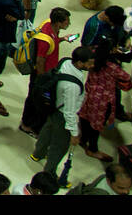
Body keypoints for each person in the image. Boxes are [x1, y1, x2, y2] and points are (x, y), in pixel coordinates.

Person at [32, 46, 95, 178]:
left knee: (47, 131)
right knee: (59, 146)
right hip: (62, 115)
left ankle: (37, 154)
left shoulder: (66, 62)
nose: (91, 65)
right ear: (79, 63)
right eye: (89, 62)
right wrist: (74, 132)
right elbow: (69, 112)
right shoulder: (72, 86)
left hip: (53, 107)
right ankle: (49, 173)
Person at [19, 7, 73, 136]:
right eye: (66, 21)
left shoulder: (50, 25)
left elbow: (53, 42)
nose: (68, 24)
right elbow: (40, 61)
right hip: (41, 76)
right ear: (58, 22)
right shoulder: (45, 40)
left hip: (47, 74)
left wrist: (62, 39)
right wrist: (41, 82)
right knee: (35, 100)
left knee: (37, 100)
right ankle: (27, 125)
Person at [78, 39, 132, 161]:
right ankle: (92, 149)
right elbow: (126, 77)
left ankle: (83, 139)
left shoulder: (92, 58)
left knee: (85, 117)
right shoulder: (112, 67)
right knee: (96, 126)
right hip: (103, 100)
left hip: (89, 94)